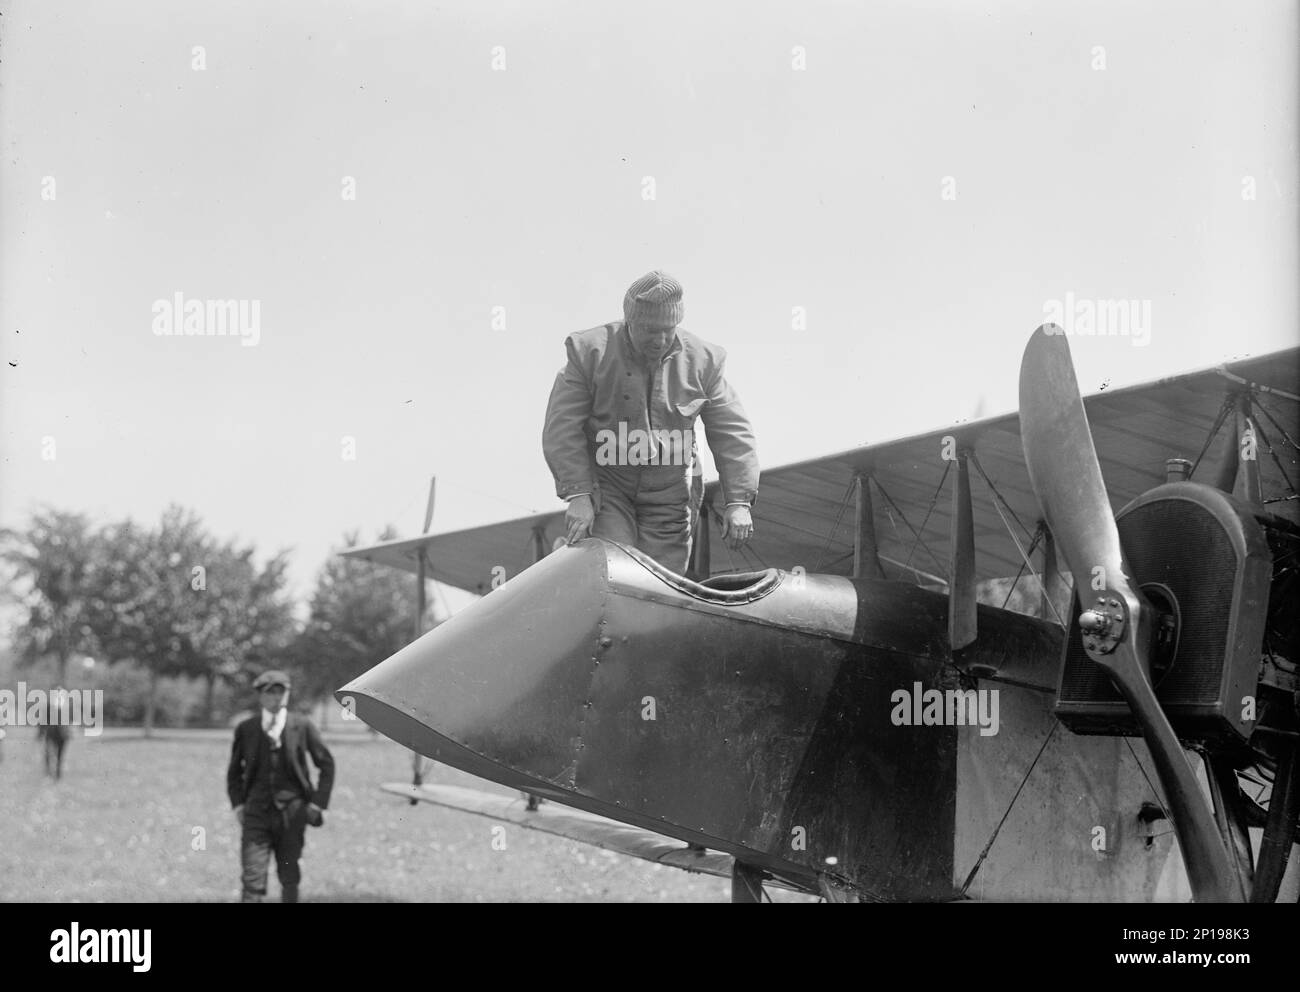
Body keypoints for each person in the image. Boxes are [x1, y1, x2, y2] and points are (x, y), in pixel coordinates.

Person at [543, 270, 759, 573]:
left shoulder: (705, 361)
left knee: (662, 584)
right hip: (609, 487)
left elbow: (732, 432)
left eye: (668, 329)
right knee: (615, 567)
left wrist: (739, 501)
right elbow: (562, 428)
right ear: (629, 321)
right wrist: (578, 494)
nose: (659, 340)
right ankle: (571, 561)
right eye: (648, 329)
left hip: (670, 495)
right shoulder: (589, 352)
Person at [227, 669, 334, 903]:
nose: (277, 697)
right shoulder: (247, 729)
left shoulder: (302, 726)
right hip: (256, 813)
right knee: (252, 876)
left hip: (292, 813)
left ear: (287, 694)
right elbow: (234, 772)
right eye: (271, 692)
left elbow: (327, 764)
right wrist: (237, 806)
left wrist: (317, 804)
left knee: (289, 874)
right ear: (261, 696)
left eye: (281, 692)